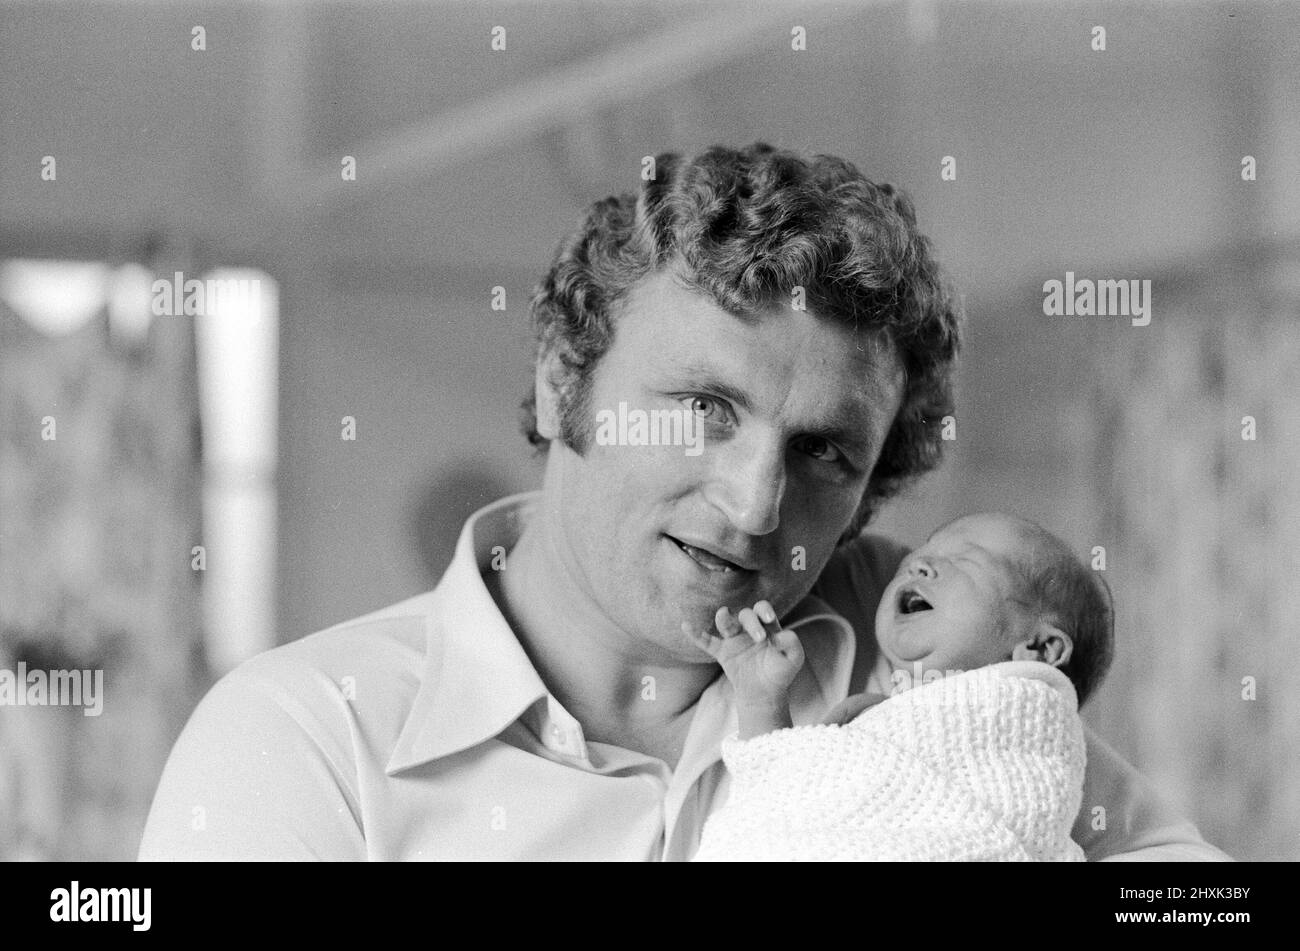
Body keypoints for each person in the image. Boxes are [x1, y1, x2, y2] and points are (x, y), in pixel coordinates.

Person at [138, 143, 1229, 861]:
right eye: (705, 408)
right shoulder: (305, 740)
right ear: (568, 383)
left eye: (823, 456)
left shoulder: (925, 659)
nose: (756, 503)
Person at [689, 512, 1108, 861]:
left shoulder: (1028, 737)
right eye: (921, 555)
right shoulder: (869, 725)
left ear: (1039, 647)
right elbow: (782, 798)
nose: (918, 564)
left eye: (964, 560)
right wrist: (760, 696)